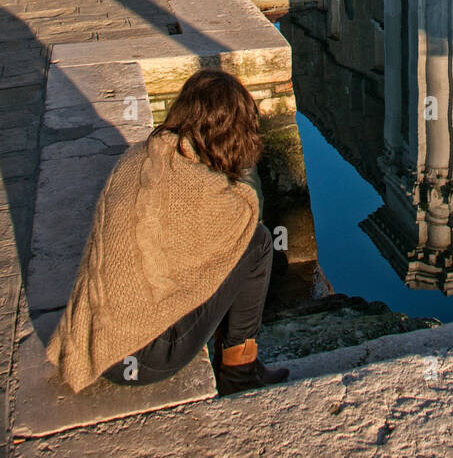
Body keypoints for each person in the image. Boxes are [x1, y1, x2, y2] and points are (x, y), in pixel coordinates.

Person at [46, 69, 290, 398]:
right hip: (142, 358)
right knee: (257, 241)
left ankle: (239, 364)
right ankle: (239, 371)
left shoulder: (136, 157)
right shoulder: (210, 195)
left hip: (92, 339)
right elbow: (248, 211)